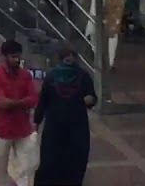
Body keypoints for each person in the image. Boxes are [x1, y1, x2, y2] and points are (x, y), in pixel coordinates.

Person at [33, 47, 96, 186]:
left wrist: (90, 99)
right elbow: (43, 100)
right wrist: (36, 121)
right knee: (51, 160)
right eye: (67, 58)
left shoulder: (83, 76)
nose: (70, 61)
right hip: (56, 127)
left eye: (72, 58)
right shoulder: (51, 77)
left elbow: (92, 96)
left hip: (75, 127)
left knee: (75, 159)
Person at [0, 39, 39, 186]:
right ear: (5, 57)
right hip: (1, 130)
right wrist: (23, 103)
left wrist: (14, 104)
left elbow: (34, 98)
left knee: (29, 165)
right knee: (0, 168)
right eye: (13, 57)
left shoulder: (25, 75)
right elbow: (2, 103)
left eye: (19, 56)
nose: (17, 60)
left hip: (23, 129)